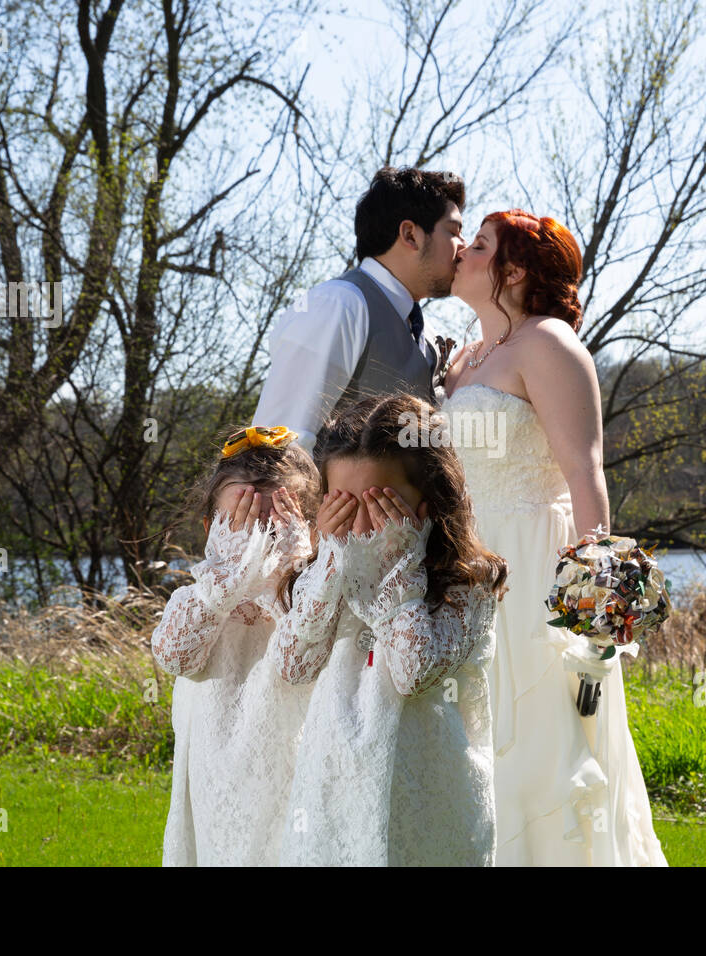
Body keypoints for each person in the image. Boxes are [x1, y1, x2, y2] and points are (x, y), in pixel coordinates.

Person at [441, 209, 668, 866]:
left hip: (538, 570)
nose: (461, 250)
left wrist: (595, 607)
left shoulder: (550, 345)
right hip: (469, 572)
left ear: (512, 271)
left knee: (552, 748)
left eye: (479, 245)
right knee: (477, 750)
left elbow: (583, 471)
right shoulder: (462, 358)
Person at [270, 394, 509, 865]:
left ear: (431, 499)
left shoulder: (466, 586)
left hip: (432, 796)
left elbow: (410, 673)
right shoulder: (322, 576)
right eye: (343, 504)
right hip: (334, 790)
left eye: (381, 503)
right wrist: (335, 563)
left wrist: (402, 568)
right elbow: (292, 665)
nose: (361, 522)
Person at [153, 425, 318, 866]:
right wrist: (226, 583)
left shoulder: (312, 597)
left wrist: (298, 570)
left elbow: (304, 658)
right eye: (242, 524)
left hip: (290, 761)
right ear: (211, 530)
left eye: (274, 525)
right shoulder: (197, 600)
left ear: (308, 528)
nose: (259, 543)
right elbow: (175, 656)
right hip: (216, 768)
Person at [254, 166, 467, 454]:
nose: (464, 247)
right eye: (454, 231)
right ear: (410, 235)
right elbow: (281, 440)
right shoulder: (337, 304)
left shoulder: (425, 332)